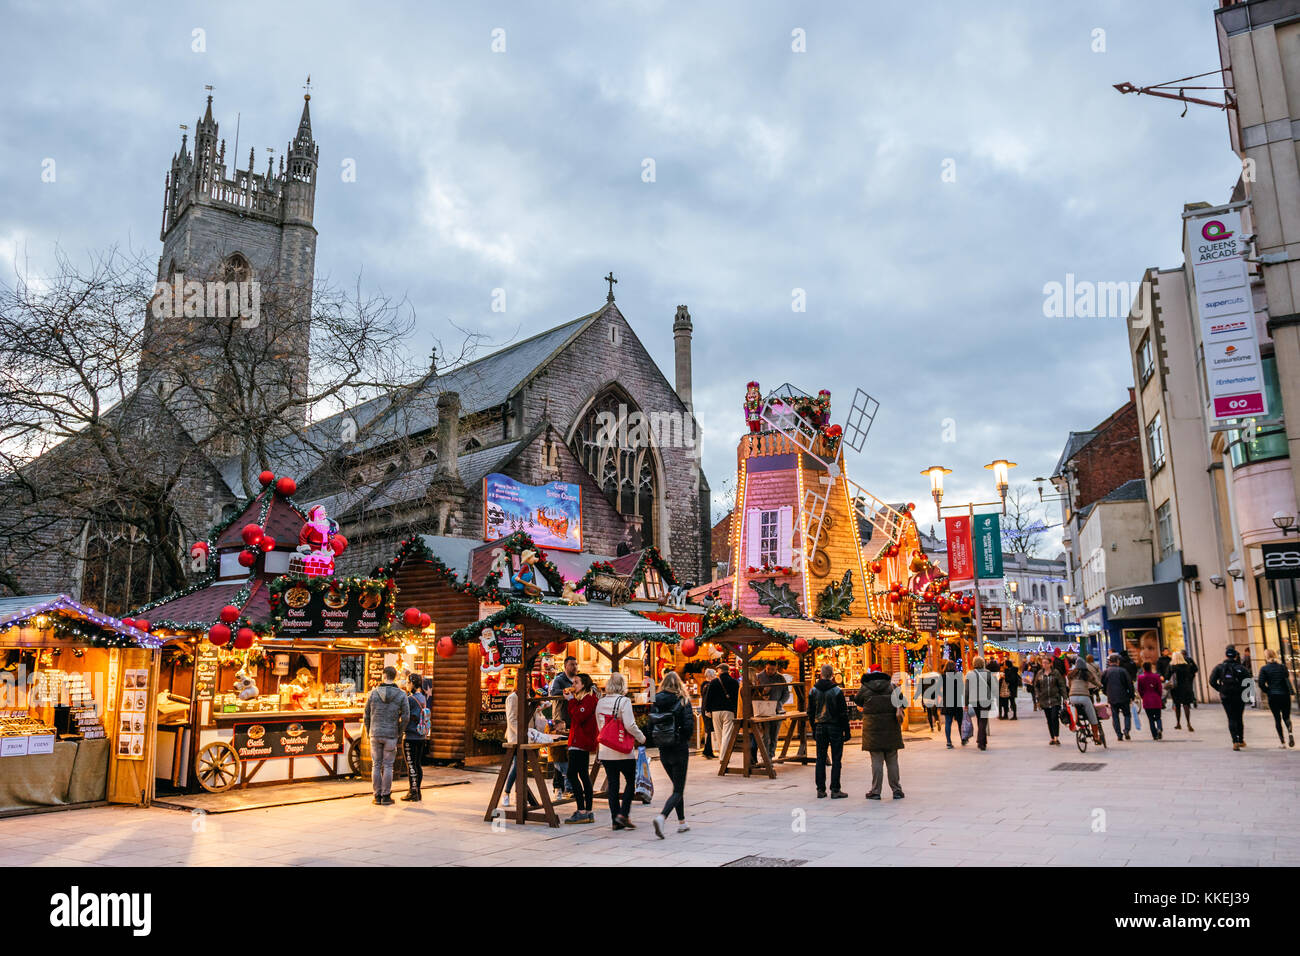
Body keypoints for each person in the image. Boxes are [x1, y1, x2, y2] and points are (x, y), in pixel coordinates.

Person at [595, 672, 645, 830]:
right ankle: (623, 813)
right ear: (623, 685)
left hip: (606, 749)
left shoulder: (601, 702)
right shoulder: (624, 701)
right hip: (622, 749)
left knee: (613, 784)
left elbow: (600, 726)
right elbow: (630, 725)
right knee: (631, 781)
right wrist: (641, 737)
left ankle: (615, 820)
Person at [649, 670, 694, 837]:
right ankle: (662, 817)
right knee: (678, 789)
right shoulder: (683, 700)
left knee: (676, 787)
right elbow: (689, 726)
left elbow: (649, 725)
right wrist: (683, 739)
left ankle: (682, 822)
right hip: (679, 748)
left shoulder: (656, 701)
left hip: (663, 749)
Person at [363, 665, 409, 806]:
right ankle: (386, 796)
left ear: (383, 676)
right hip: (391, 734)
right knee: (388, 766)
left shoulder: (373, 693)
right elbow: (406, 716)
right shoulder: (401, 695)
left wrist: (369, 730)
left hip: (375, 733)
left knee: (376, 765)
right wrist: (399, 731)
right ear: (395, 677)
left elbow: (366, 715)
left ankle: (377, 796)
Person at [856, 667, 905, 799]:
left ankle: (876, 791)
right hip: (891, 729)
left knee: (876, 761)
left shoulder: (865, 688)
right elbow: (903, 703)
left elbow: (858, 701)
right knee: (892, 761)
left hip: (873, 731)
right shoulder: (892, 687)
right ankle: (897, 790)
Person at [501, 690, 548, 809]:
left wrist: (539, 708)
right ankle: (506, 793)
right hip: (517, 736)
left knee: (522, 766)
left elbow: (529, 714)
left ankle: (519, 794)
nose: (527, 685)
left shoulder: (527, 696)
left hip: (529, 735)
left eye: (528, 682)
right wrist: (522, 734)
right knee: (518, 765)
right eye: (525, 682)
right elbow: (512, 719)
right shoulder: (513, 698)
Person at [809, 664, 849, 799]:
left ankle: (820, 789)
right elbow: (843, 713)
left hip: (820, 726)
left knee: (820, 758)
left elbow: (810, 712)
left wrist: (813, 728)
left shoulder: (813, 691)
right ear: (832, 675)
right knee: (836, 758)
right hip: (835, 726)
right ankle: (835, 789)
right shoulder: (837, 691)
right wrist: (846, 730)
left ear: (821, 674)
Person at [563, 673, 598, 824]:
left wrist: (571, 701)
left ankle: (582, 810)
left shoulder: (589, 699)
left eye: (576, 682)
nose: (574, 685)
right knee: (583, 774)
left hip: (580, 741)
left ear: (583, 684)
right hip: (580, 740)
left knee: (571, 774)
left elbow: (578, 716)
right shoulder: (584, 699)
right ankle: (588, 810)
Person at [1209, 645, 1252, 750]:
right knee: (1239, 717)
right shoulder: (1241, 668)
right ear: (1236, 656)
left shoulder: (1219, 667)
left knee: (1231, 717)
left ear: (1226, 655)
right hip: (1239, 695)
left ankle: (1234, 741)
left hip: (1226, 696)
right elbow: (1248, 681)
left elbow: (1212, 681)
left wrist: (1220, 689)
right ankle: (1241, 739)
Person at [547, 656, 578, 798]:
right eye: (572, 664)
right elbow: (553, 693)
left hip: (574, 720)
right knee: (559, 755)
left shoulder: (577, 680)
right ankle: (557, 786)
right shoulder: (559, 680)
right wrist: (568, 691)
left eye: (576, 664)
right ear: (566, 666)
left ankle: (569, 786)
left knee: (571, 755)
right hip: (560, 721)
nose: (575, 667)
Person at [753, 659, 791, 760]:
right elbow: (755, 693)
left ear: (776, 669)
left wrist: (780, 703)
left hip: (776, 710)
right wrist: (763, 693)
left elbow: (786, 693)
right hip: (763, 710)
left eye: (773, 670)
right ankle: (764, 756)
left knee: (774, 734)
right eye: (769, 669)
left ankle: (771, 755)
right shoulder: (759, 677)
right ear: (766, 667)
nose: (770, 671)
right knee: (765, 735)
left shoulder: (781, 678)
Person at [1258, 649, 1295, 748]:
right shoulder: (1282, 667)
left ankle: (1282, 742)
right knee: (1286, 717)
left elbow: (1261, 683)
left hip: (1273, 696)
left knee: (1277, 719)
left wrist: (1268, 690)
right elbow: (1286, 677)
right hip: (1285, 695)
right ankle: (1290, 733)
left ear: (1266, 657)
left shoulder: (1264, 669)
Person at [400, 674, 427, 801]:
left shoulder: (410, 699)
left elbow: (404, 715)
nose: (406, 684)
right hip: (421, 736)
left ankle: (413, 792)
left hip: (411, 736)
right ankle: (418, 791)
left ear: (412, 683)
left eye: (407, 682)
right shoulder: (422, 697)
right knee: (417, 764)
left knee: (410, 765)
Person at [1067, 653, 1103, 745]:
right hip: (1084, 696)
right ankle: (1096, 736)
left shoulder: (1071, 674)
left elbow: (1069, 685)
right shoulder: (1086, 674)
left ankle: (1079, 724)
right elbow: (1095, 682)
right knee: (1092, 717)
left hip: (1072, 697)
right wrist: (1100, 686)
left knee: (1077, 712)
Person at [704, 664, 739, 758]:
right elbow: (737, 698)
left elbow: (709, 697)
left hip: (715, 711)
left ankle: (722, 755)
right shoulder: (735, 682)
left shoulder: (714, 682)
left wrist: (708, 709)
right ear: (728, 671)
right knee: (727, 734)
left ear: (720, 670)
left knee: (719, 734)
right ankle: (724, 756)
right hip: (729, 711)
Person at [1034, 657, 1068, 745]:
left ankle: (1056, 737)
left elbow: (1061, 685)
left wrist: (1065, 697)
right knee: (1049, 719)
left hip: (1055, 699)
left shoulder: (1055, 673)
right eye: (1043, 663)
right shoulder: (1039, 674)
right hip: (1044, 700)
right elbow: (1036, 686)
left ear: (1050, 664)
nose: (1044, 665)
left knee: (1054, 717)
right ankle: (1052, 737)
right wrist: (1038, 695)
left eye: (1046, 663)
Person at [1100, 653, 1133, 741]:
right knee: (1127, 714)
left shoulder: (1106, 672)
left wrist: (1106, 692)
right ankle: (1126, 730)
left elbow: (1102, 684)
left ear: (1110, 662)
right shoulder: (1123, 671)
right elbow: (1129, 684)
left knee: (1115, 716)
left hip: (1112, 697)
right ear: (1118, 661)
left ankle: (1119, 734)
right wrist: (1131, 695)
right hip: (1124, 696)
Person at [965, 656, 996, 750]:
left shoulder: (969, 674)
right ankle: (981, 742)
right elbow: (994, 687)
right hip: (985, 700)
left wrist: (965, 703)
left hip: (974, 700)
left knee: (980, 719)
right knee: (983, 720)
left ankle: (982, 740)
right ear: (983, 663)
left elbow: (966, 690)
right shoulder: (988, 673)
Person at [1167, 650, 1198, 732]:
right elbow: (1191, 674)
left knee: (1177, 706)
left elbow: (1167, 676)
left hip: (1176, 689)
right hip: (1186, 687)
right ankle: (1188, 723)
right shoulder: (1187, 666)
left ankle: (1178, 723)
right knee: (1186, 705)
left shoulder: (1171, 667)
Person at [938, 659, 964, 748]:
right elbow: (961, 690)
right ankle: (963, 739)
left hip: (947, 702)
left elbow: (939, 690)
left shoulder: (942, 677)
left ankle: (949, 742)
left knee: (948, 722)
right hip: (957, 702)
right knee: (960, 722)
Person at [1136, 661, 1164, 740]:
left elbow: (1139, 690)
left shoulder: (1140, 678)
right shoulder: (1156, 676)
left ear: (1143, 668)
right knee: (1158, 717)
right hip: (1156, 699)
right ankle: (1159, 728)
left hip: (1147, 700)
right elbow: (1159, 689)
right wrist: (1159, 696)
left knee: (1150, 719)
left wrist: (1143, 697)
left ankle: (1154, 735)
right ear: (1151, 667)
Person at [1118, 649, 1142, 732]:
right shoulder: (1131, 661)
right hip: (1131, 679)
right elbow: (1135, 670)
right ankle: (1134, 698)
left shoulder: (1120, 663)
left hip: (1123, 682)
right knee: (1132, 690)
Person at [700, 668, 717, 758]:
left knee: (709, 729)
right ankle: (707, 751)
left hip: (706, 709)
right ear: (710, 675)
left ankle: (708, 750)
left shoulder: (704, 685)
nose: (715, 676)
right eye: (714, 675)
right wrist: (708, 710)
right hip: (707, 710)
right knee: (709, 729)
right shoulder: (707, 685)